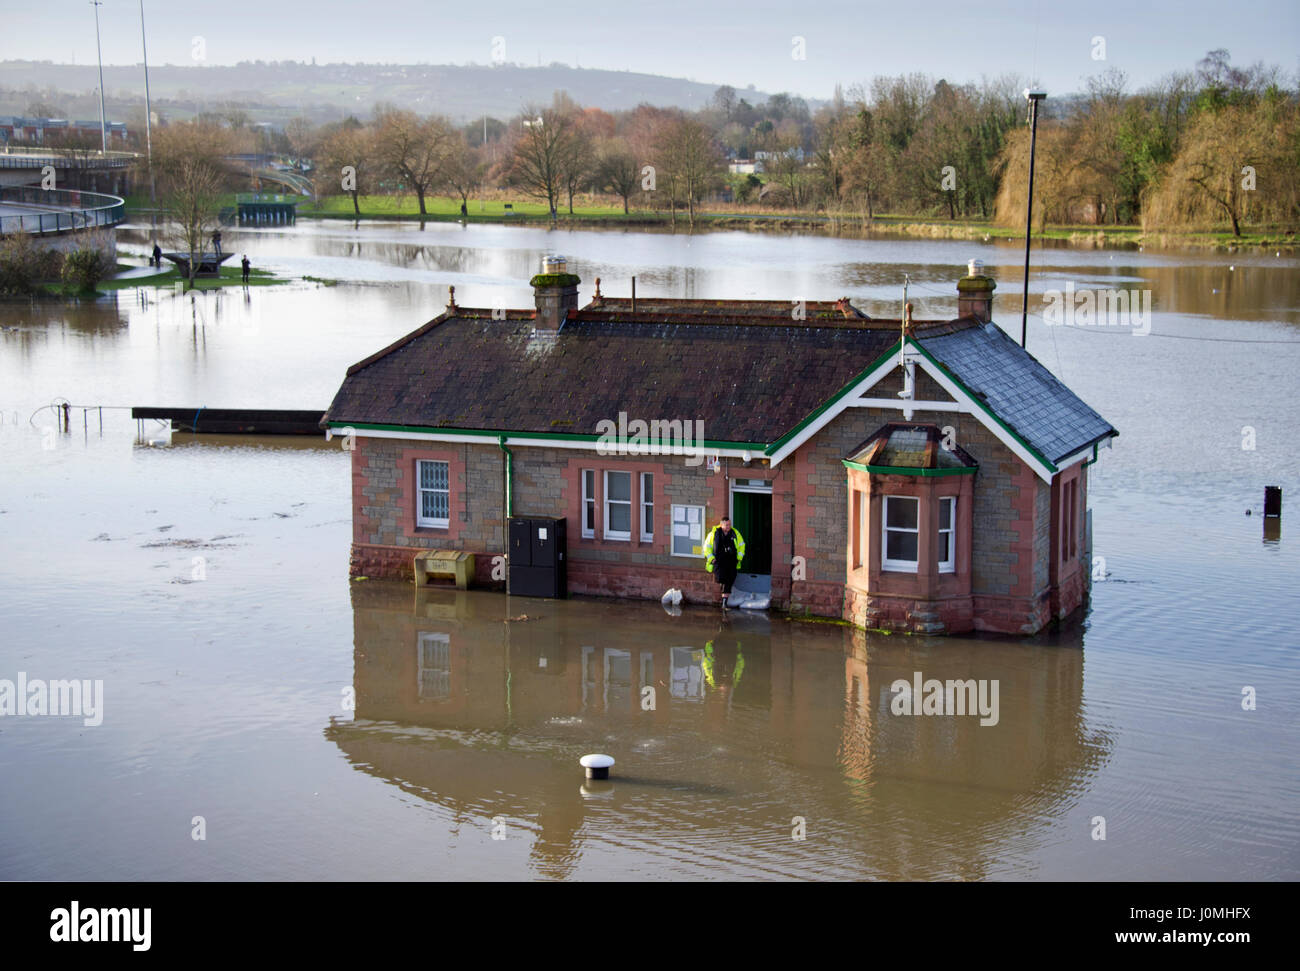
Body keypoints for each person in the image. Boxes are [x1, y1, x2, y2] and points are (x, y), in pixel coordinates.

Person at [703, 516, 745, 607]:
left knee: (729, 581)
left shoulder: (735, 533)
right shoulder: (714, 534)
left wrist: (739, 558)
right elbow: (706, 547)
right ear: (721, 525)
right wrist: (712, 559)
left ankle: (724, 603)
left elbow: (742, 546)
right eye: (726, 525)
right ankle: (724, 599)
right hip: (719, 562)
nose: (728, 526)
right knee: (721, 579)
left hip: (731, 561)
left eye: (729, 524)